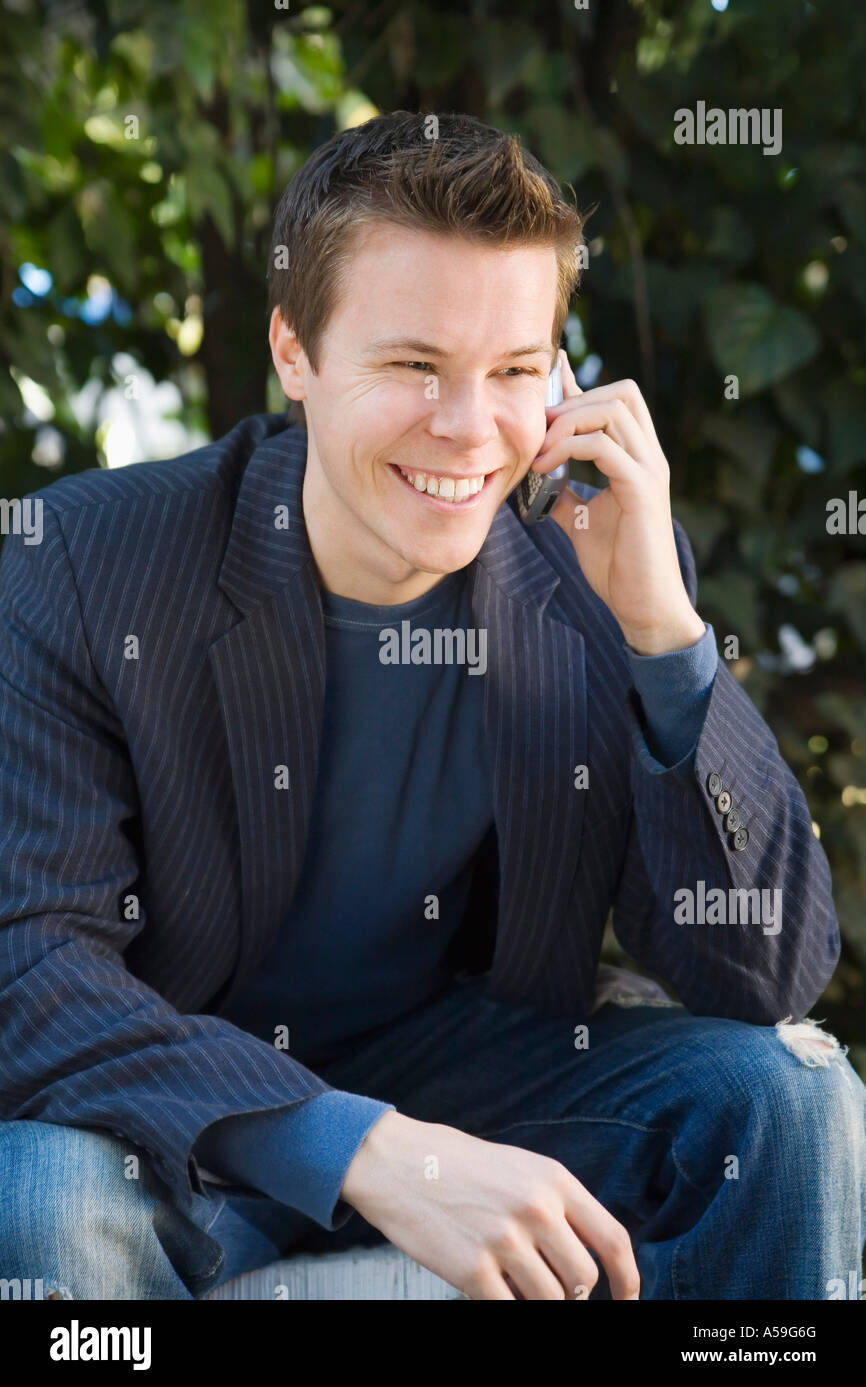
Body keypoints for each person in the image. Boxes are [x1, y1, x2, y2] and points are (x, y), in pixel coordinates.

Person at [0, 111, 863, 1302]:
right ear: (293, 352)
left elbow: (763, 976)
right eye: (414, 366)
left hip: (467, 1070)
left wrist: (664, 636)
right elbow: (30, 965)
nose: (469, 430)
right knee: (41, 1197)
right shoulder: (83, 566)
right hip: (173, 1110)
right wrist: (356, 1146)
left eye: (514, 371)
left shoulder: (595, 564)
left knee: (783, 1098)